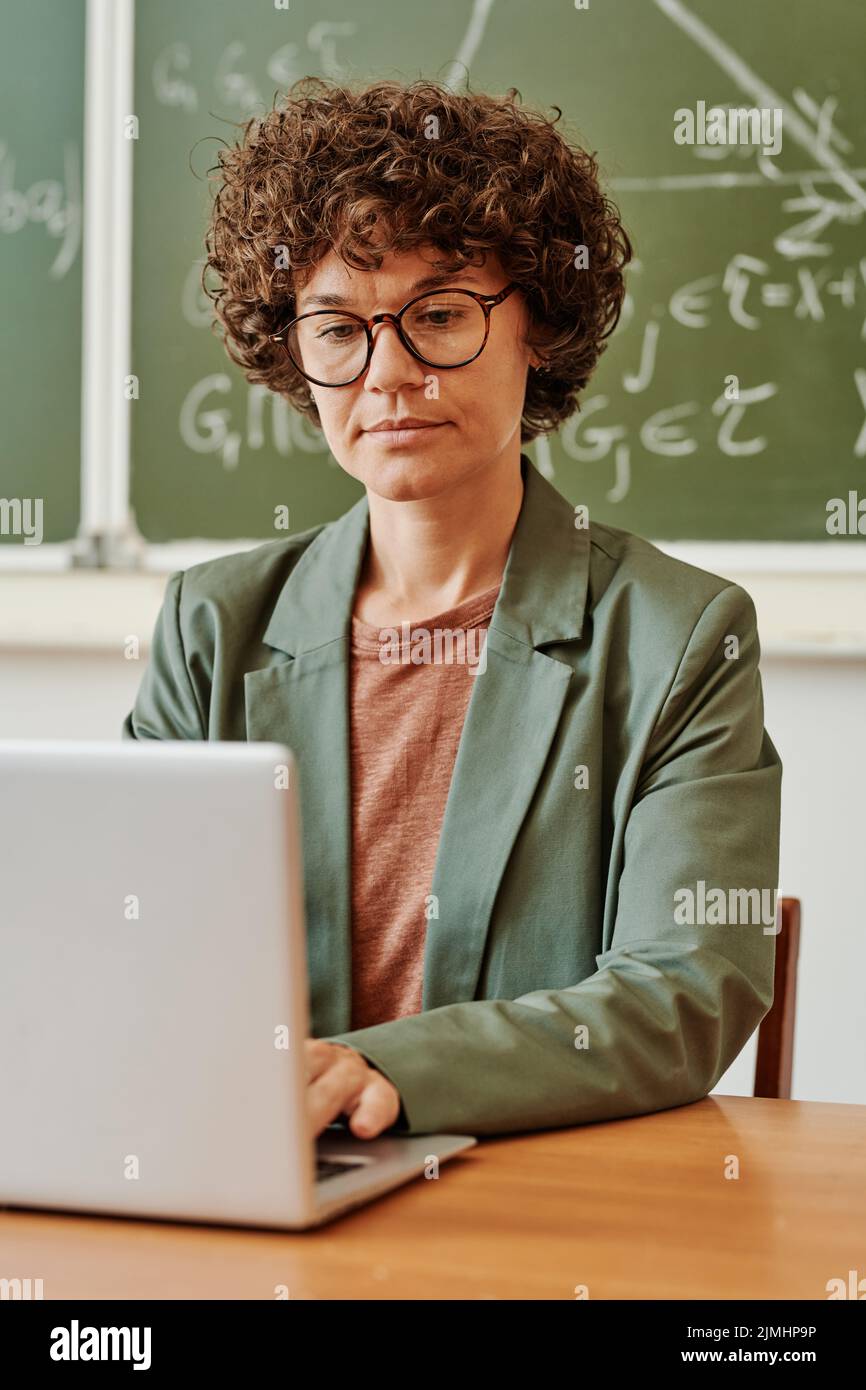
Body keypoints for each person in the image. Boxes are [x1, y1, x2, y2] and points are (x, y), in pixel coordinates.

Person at [123, 77, 782, 1142]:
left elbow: (683, 994)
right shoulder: (212, 624)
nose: (387, 374)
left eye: (436, 315)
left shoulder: (680, 636)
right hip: (253, 1185)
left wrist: (373, 1070)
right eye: (337, 327)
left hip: (536, 1207)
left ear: (538, 328)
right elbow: (130, 948)